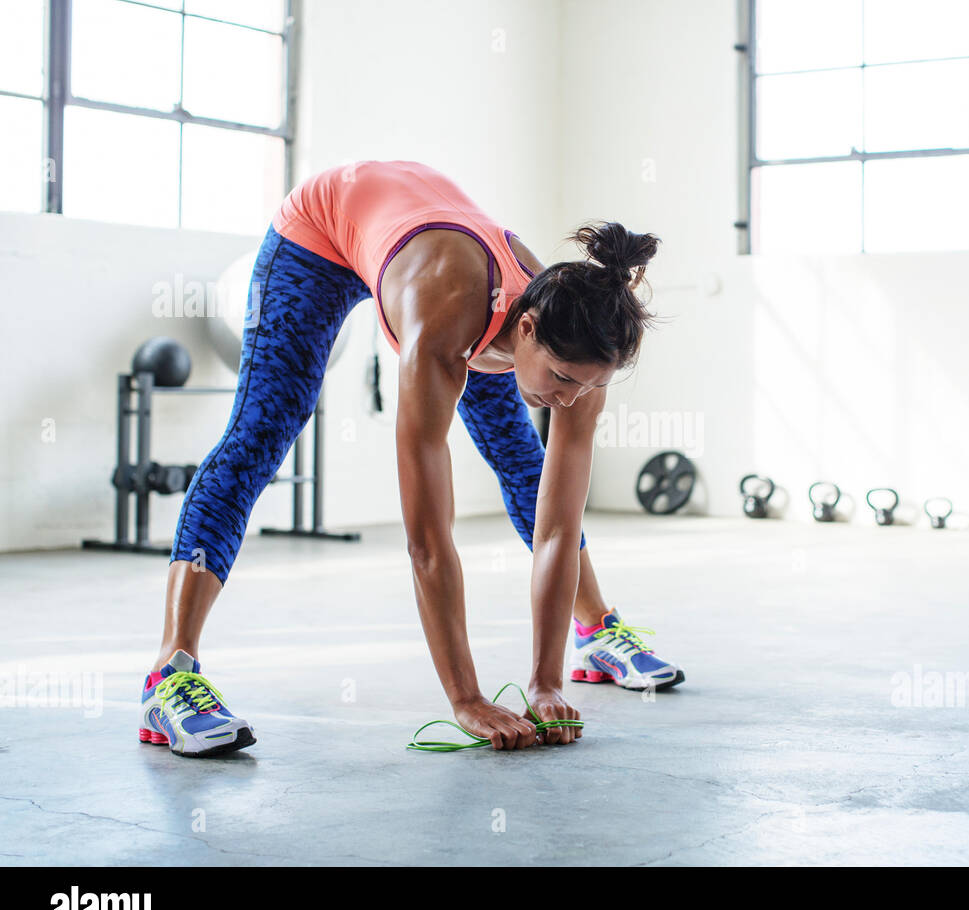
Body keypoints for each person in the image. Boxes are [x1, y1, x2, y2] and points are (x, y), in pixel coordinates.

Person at [138, 160, 684, 757]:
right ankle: (171, 674)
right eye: (559, 380)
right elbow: (428, 539)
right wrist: (467, 698)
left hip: (441, 251)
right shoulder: (443, 322)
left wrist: (545, 683)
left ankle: (595, 631)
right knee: (262, 434)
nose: (568, 399)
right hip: (320, 235)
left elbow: (558, 529)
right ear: (525, 329)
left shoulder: (580, 357)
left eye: (585, 387)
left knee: (522, 460)